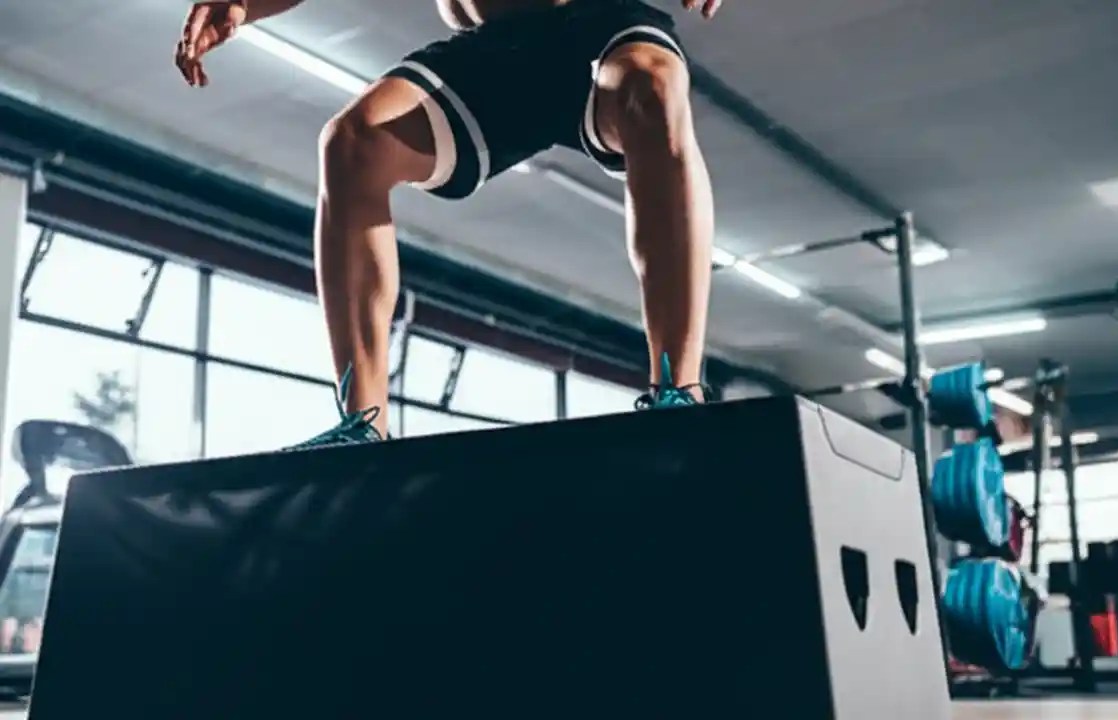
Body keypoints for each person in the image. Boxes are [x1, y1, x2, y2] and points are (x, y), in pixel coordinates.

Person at [175, 0, 722, 446]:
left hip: (598, 25)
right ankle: (362, 424)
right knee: (352, 143)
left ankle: (679, 390)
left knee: (653, 85)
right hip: (494, 52)